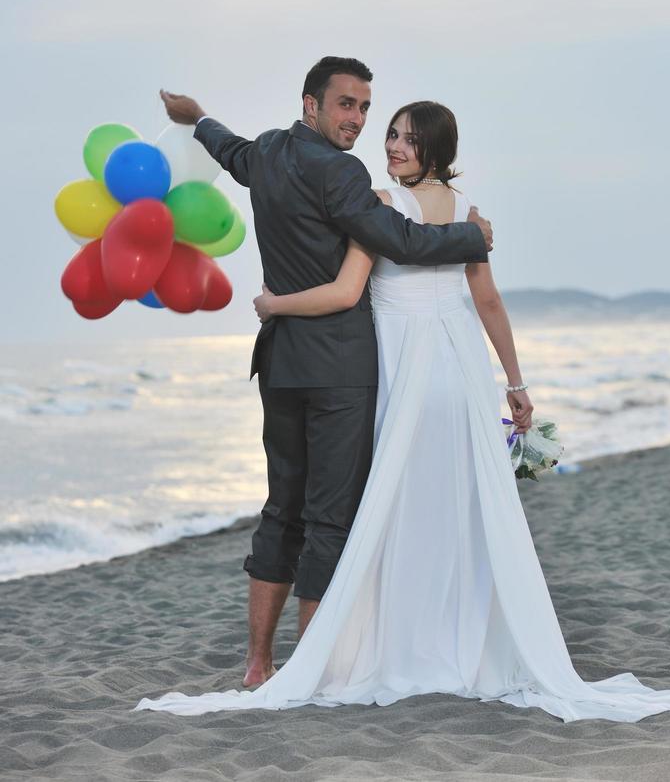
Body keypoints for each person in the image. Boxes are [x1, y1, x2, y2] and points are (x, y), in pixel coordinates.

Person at [137, 102, 670, 722]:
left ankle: (382, 643)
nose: (393, 145)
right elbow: (488, 302)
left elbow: (348, 292)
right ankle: (458, 642)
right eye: (392, 134)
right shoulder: (470, 213)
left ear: (435, 150)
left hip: (404, 367)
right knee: (461, 506)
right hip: (460, 368)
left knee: (389, 505)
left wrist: (275, 305)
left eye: (408, 139)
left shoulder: (380, 202)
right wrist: (516, 382)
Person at [158, 61, 492, 689]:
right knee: (329, 516)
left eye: (365, 107)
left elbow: (227, 149)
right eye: (346, 105)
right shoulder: (340, 171)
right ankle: (305, 667)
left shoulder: (266, 153)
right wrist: (471, 236)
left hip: (281, 361)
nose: (357, 121)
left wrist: (195, 117)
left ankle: (258, 665)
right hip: (339, 366)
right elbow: (402, 241)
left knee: (282, 508)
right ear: (310, 104)